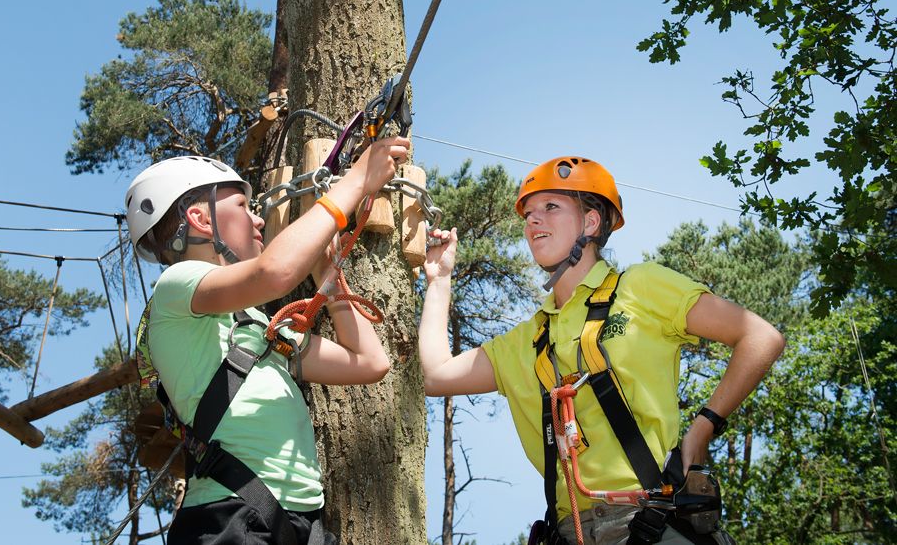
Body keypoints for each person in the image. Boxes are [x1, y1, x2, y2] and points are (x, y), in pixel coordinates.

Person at [418, 155, 785, 545]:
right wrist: (440, 280)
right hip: (569, 532)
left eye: (550, 207)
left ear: (591, 222)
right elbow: (436, 375)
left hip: (653, 523)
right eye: (528, 213)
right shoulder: (526, 340)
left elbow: (761, 338)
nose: (531, 221)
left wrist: (705, 425)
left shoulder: (641, 288)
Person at [125, 136, 410, 545]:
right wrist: (356, 182)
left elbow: (368, 362)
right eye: (242, 207)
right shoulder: (176, 285)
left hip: (297, 525)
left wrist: (327, 268)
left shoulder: (256, 326)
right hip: (229, 518)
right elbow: (273, 273)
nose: (258, 219)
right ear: (201, 219)